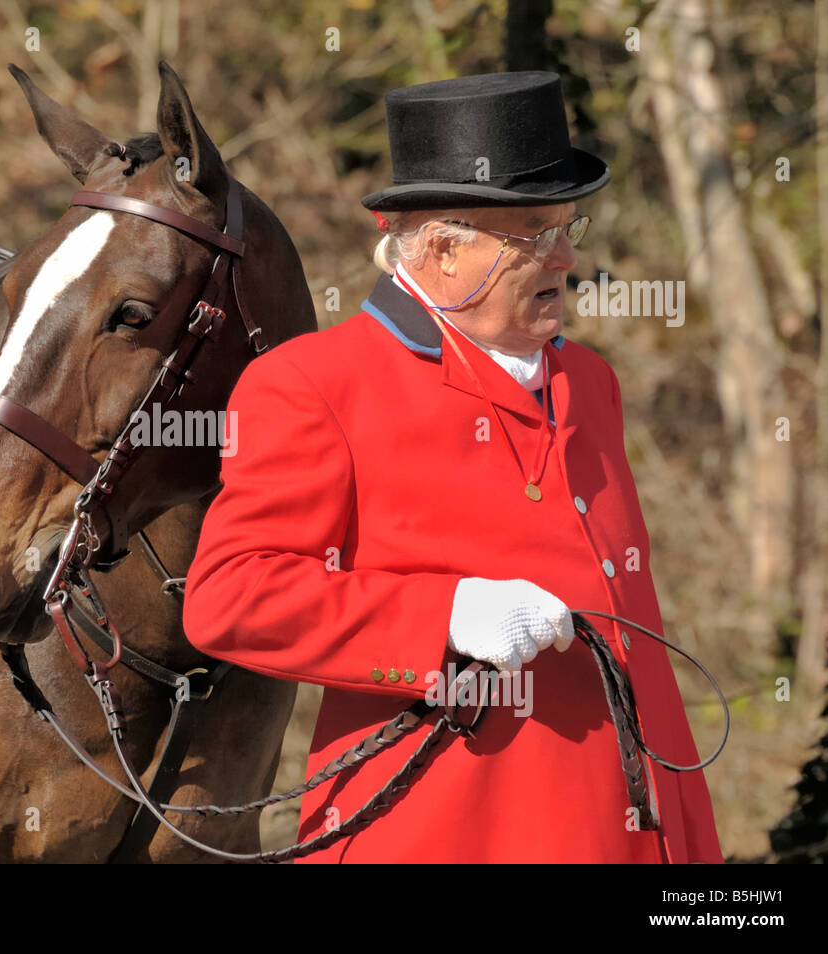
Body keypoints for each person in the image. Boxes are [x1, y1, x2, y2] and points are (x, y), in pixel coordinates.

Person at [181, 71, 722, 863]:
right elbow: (230, 597)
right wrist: (445, 617)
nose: (568, 257)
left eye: (571, 227)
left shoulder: (592, 381)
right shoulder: (313, 385)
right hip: (446, 830)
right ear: (441, 248)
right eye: (538, 235)